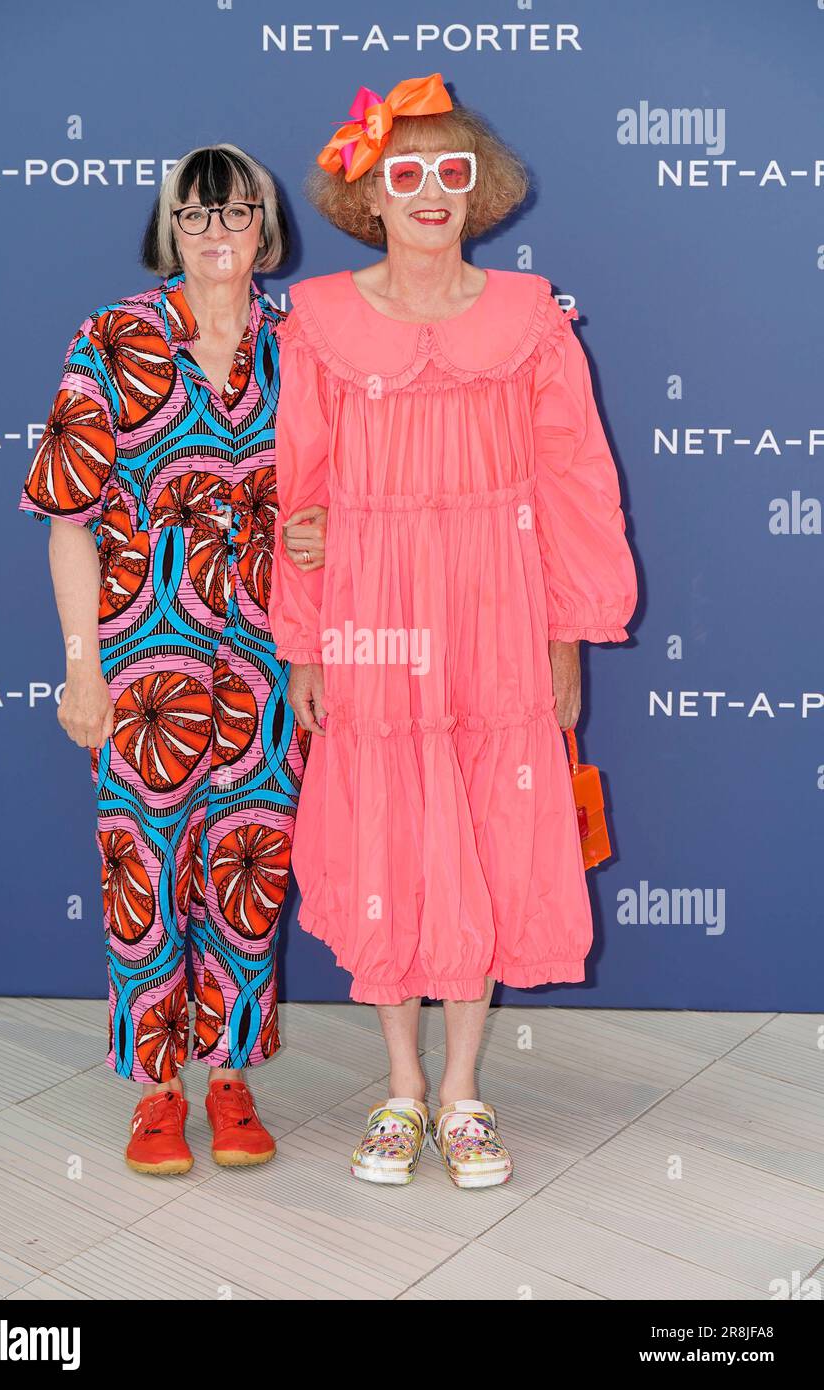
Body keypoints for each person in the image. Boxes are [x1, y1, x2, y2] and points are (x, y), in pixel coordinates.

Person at [268, 75, 638, 1188]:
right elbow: (301, 495)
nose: (429, 193)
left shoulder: (529, 317)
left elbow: (575, 479)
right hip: (370, 606)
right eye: (404, 174)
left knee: (482, 826)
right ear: (367, 193)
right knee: (385, 825)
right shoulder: (323, 320)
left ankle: (466, 1092)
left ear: (480, 190)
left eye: (450, 172)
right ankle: (400, 1089)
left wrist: (569, 628)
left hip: (496, 607)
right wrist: (303, 640)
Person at [19, 144, 327, 1176]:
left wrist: (324, 541)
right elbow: (66, 520)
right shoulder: (113, 338)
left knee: (251, 865)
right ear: (167, 230)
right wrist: (81, 668)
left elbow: (336, 495)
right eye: (192, 217)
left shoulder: (302, 342)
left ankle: (231, 1077)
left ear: (264, 226)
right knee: (144, 876)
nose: (214, 234)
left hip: (265, 658)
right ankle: (158, 1092)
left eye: (234, 213)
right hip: (140, 660)